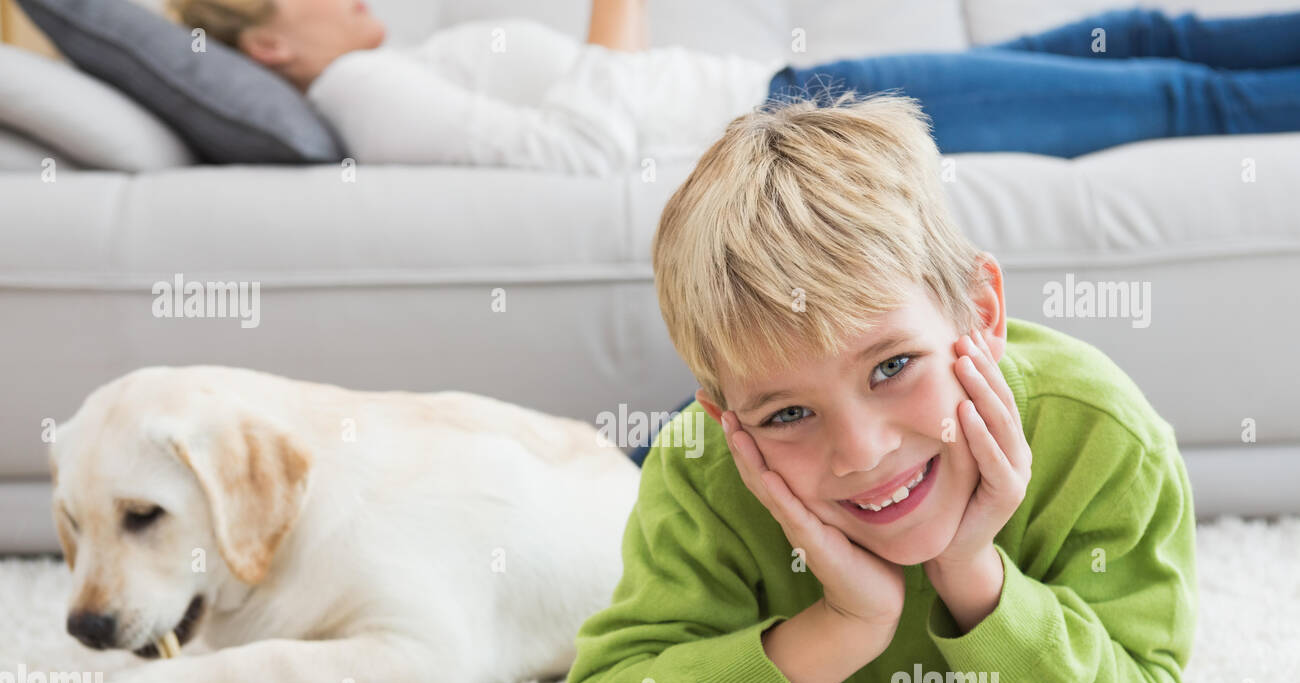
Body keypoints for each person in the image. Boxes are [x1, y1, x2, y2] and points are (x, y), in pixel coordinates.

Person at [562, 92, 1198, 683]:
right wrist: (842, 626)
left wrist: (972, 574)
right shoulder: (703, 470)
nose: (861, 452)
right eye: (789, 413)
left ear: (982, 314)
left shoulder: (1102, 435)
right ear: (726, 421)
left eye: (892, 367)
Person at [169, 1, 1300, 174]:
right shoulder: (367, 93)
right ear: (268, 45)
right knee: (1176, 96)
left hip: (805, 87)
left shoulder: (390, 67)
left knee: (1151, 31)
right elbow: (575, 158)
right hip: (805, 118)